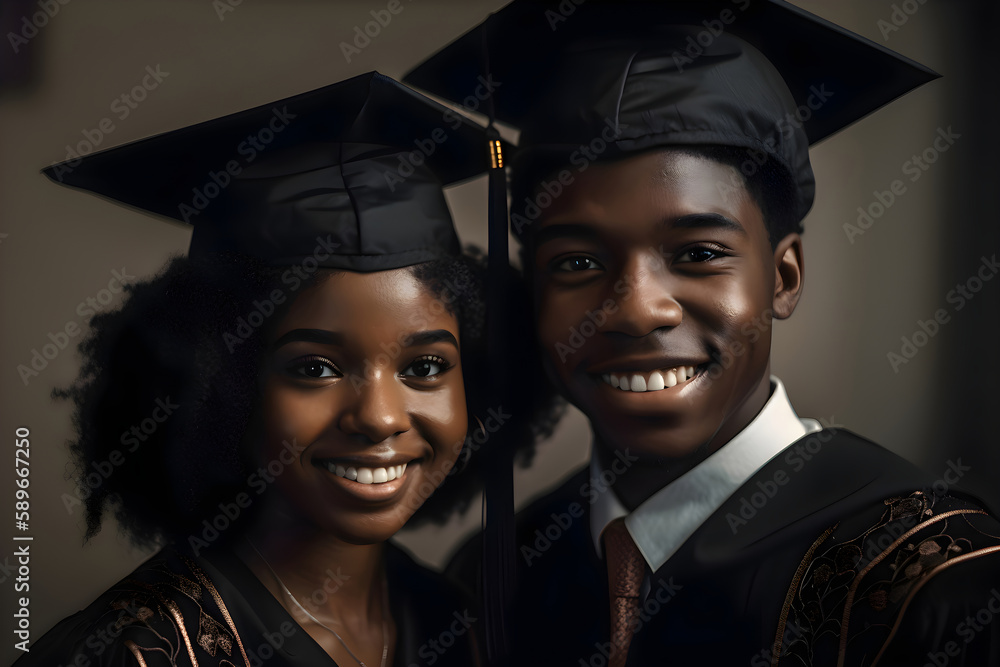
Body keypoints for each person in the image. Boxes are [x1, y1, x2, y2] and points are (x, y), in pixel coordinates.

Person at [404, 2, 1000, 665]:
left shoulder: (933, 577)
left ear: (784, 276)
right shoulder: (499, 574)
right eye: (576, 263)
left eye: (698, 254)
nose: (636, 311)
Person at [15, 71, 494, 667]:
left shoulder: (451, 619)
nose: (379, 417)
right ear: (221, 387)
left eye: (424, 366)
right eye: (315, 368)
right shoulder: (139, 652)